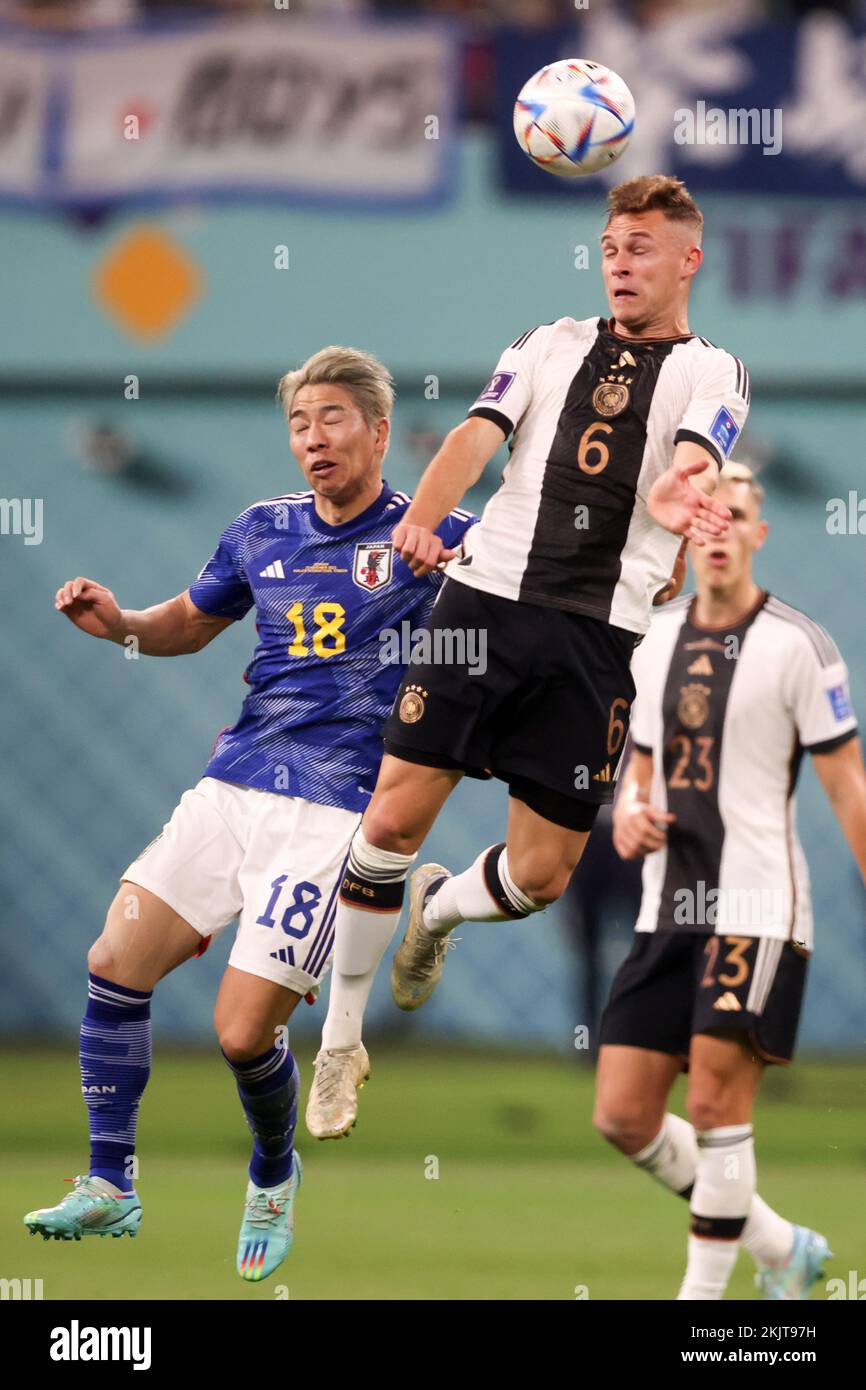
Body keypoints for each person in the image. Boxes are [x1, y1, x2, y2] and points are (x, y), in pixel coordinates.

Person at [306, 173, 752, 1139]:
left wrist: (679, 508)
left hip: (599, 636)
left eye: (643, 248)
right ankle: (340, 1042)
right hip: (486, 601)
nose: (622, 264)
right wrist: (420, 523)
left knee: (544, 874)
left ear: (689, 260)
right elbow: (478, 435)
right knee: (390, 818)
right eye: (612, 247)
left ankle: (441, 916)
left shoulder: (714, 373)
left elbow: (692, 464)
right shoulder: (548, 343)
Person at [23, 347, 475, 1282]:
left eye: (333, 420)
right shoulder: (260, 530)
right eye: (301, 424)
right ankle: (112, 1183)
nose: (314, 439)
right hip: (233, 786)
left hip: (338, 808)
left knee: (239, 1034)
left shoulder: (437, 539)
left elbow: (528, 597)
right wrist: (122, 624)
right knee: (114, 959)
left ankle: (273, 1170)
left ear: (380, 432)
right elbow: (188, 622)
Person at [594, 462, 865, 1300]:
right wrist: (631, 810)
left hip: (756, 903)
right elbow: (637, 768)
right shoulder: (654, 640)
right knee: (623, 1116)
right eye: (705, 520)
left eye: (735, 516)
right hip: (667, 907)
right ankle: (781, 1244)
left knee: (714, 1104)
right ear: (689, 532)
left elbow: (847, 783)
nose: (718, 532)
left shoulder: (798, 645)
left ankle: (702, 1307)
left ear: (758, 532)